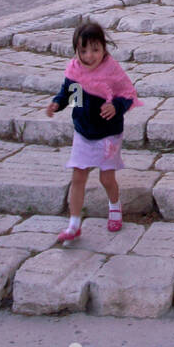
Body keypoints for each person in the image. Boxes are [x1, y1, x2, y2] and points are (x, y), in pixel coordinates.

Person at [45, 20, 141, 244]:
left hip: (108, 132)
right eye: (83, 50)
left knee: (106, 177)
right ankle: (74, 224)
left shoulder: (111, 70)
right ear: (76, 50)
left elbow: (127, 95)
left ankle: (115, 207)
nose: (89, 56)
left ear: (104, 48)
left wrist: (115, 106)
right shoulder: (74, 71)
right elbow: (67, 94)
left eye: (95, 49)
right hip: (83, 131)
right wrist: (57, 104)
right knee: (78, 175)